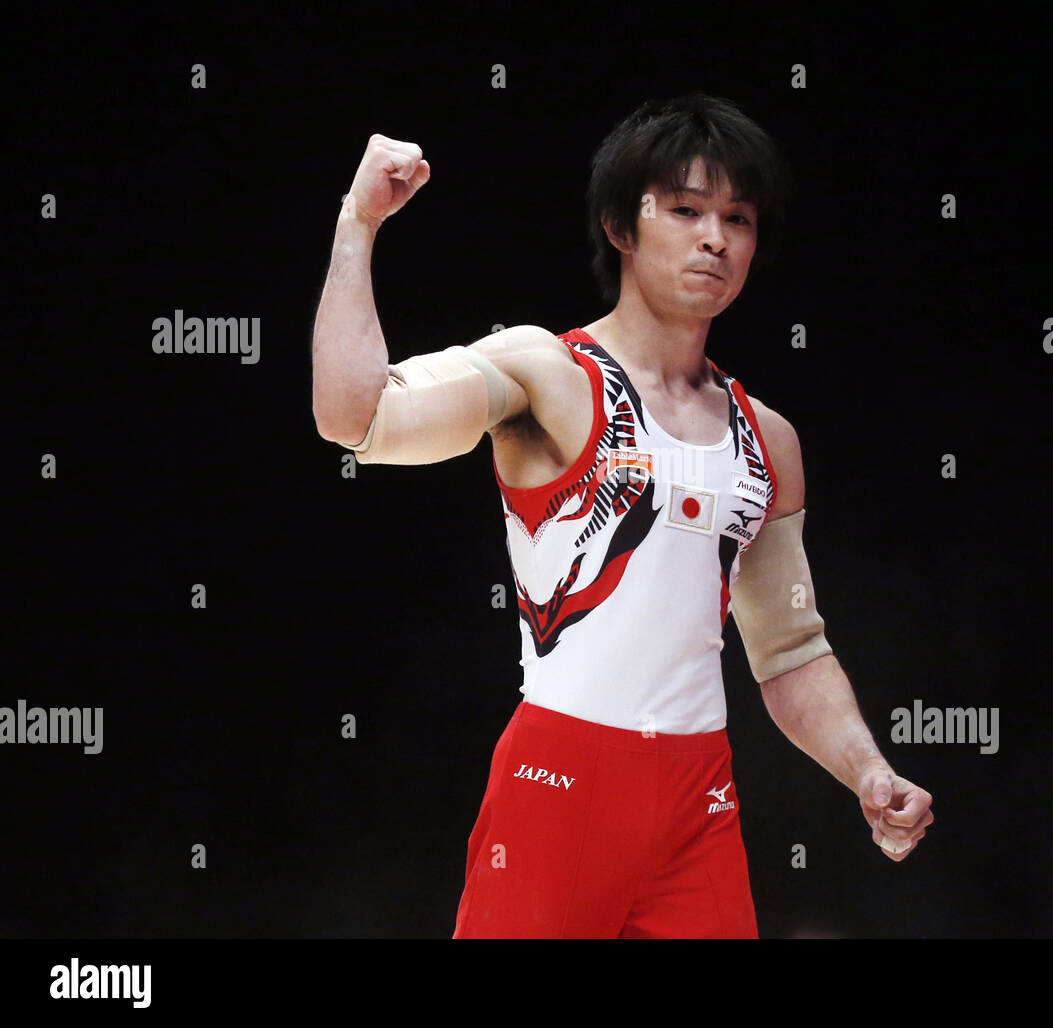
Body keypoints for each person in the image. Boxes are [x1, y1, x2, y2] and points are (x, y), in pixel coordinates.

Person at [311, 93, 935, 938]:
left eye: (738, 218)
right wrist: (359, 225)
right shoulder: (545, 375)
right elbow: (353, 415)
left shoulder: (767, 441)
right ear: (621, 226)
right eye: (684, 209)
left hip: (699, 801)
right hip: (559, 784)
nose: (715, 237)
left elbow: (790, 650)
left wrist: (867, 770)